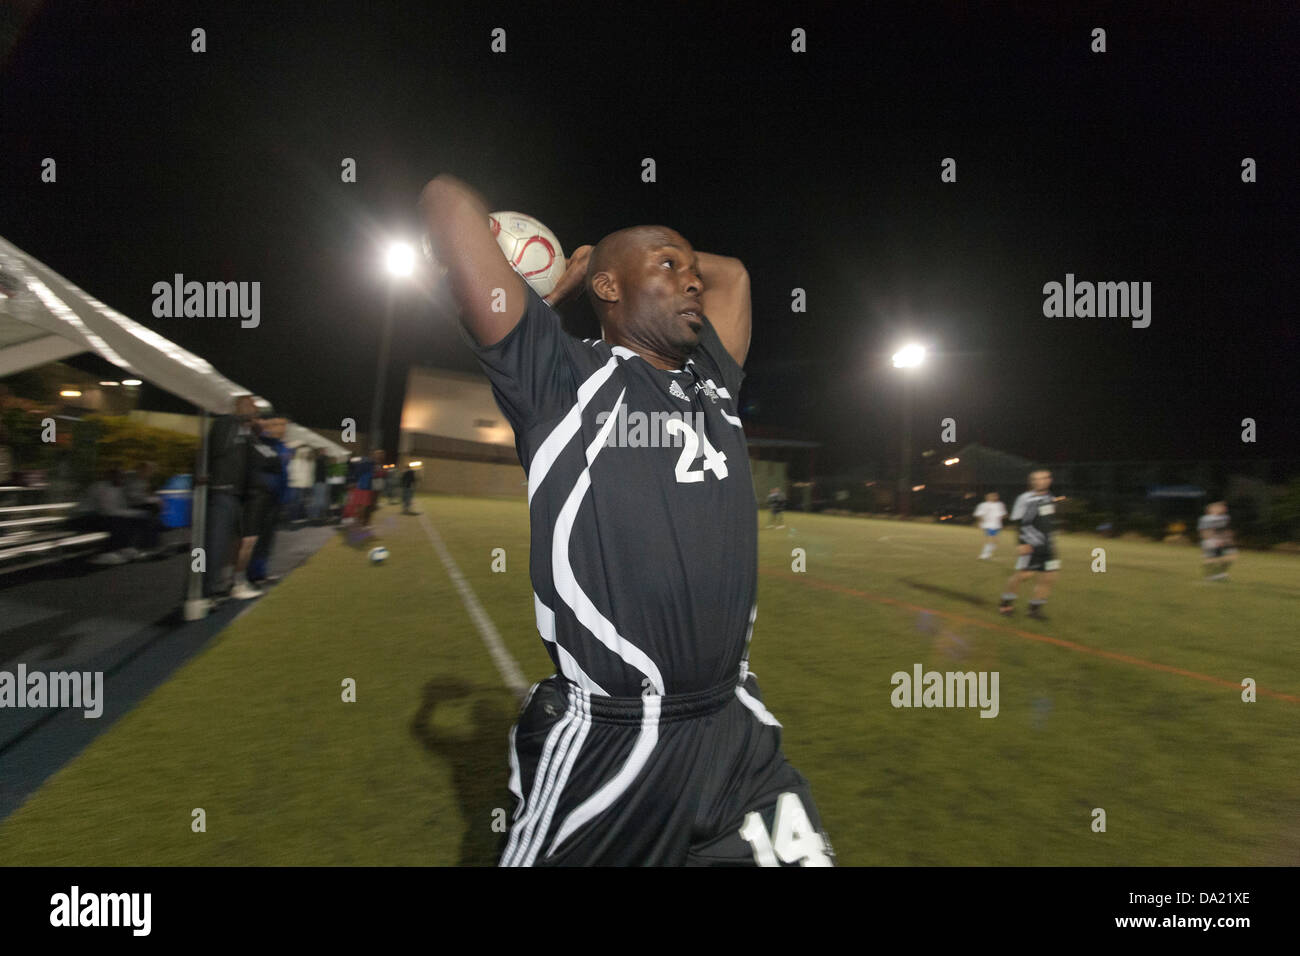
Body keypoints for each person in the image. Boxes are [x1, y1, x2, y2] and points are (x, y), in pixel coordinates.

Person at [420, 174, 832, 867]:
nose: (694, 281)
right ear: (608, 290)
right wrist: (564, 274)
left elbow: (734, 276)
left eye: (690, 269)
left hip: (738, 733)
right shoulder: (555, 375)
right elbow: (442, 201)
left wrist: (662, 259)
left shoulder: (714, 384)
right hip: (615, 747)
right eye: (668, 268)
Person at [202, 394, 256, 598]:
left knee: (227, 544)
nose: (254, 409)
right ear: (239, 406)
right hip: (222, 491)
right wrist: (209, 479)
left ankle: (216, 583)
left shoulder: (244, 429)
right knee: (213, 545)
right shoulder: (226, 424)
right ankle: (203, 589)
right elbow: (211, 452)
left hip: (235, 494)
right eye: (251, 404)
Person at [999, 470, 1059, 620]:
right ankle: (1006, 602)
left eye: (1044, 478)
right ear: (1032, 482)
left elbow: (1047, 521)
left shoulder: (1050, 498)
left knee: (1049, 577)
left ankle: (1034, 609)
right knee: (1023, 575)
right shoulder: (1024, 499)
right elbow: (1018, 521)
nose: (1041, 481)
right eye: (1037, 479)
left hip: (1048, 546)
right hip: (1030, 545)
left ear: (1049, 480)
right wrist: (1021, 543)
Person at [1198, 500, 1237, 581]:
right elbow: (1204, 531)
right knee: (1211, 559)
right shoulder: (1206, 519)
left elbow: (1226, 530)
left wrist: (1229, 539)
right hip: (1211, 541)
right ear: (1212, 509)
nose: (1222, 508)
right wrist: (1211, 540)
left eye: (1222, 507)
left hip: (1224, 541)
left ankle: (1221, 574)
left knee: (1231, 557)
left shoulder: (1225, 518)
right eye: (1219, 507)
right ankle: (1209, 575)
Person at [974, 491, 1007, 559]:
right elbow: (979, 514)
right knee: (990, 539)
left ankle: (988, 553)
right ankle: (985, 554)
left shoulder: (1000, 504)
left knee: (995, 540)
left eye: (995, 496)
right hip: (988, 525)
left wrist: (1002, 518)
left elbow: (1003, 514)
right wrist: (981, 522)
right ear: (987, 497)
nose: (994, 497)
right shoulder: (983, 505)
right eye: (992, 496)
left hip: (997, 525)